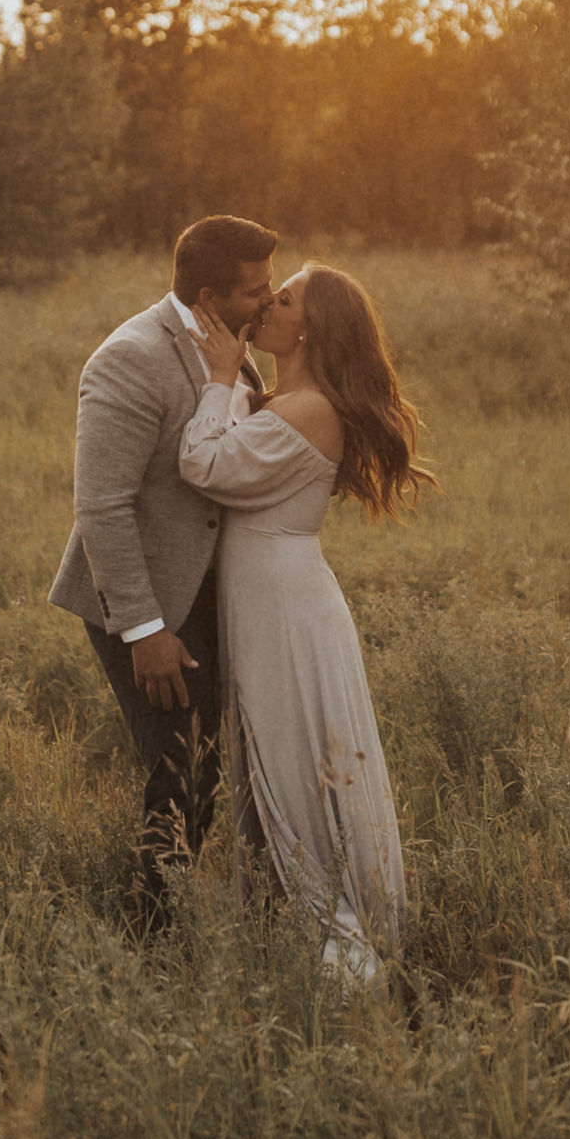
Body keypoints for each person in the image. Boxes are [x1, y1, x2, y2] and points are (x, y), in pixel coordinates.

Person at [179, 261, 430, 978]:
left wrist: (220, 378)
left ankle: (340, 937)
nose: (265, 303)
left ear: (308, 327)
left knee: (297, 764)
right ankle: (289, 925)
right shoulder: (285, 396)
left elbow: (203, 464)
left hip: (286, 607)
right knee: (275, 757)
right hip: (268, 596)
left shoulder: (311, 408)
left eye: (281, 299)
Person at [48, 215, 278, 922]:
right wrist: (145, 631)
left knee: (215, 763)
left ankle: (194, 914)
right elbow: (103, 506)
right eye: (255, 291)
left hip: (208, 592)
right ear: (209, 296)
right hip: (143, 603)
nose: (268, 301)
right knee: (184, 770)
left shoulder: (229, 346)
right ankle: (148, 936)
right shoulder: (130, 358)